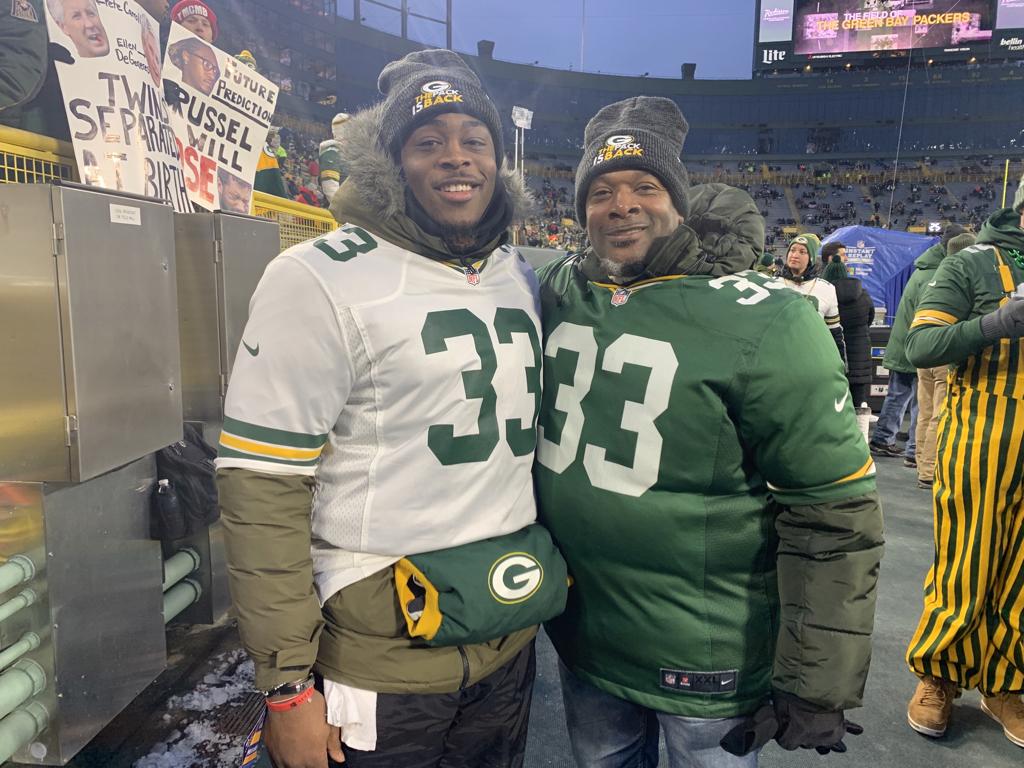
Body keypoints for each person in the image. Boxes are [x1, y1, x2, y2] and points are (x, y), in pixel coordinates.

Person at [535, 96, 883, 768]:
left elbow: (835, 515)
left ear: (681, 201)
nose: (622, 205)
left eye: (645, 185)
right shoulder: (559, 289)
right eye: (600, 190)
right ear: (579, 209)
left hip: (707, 661)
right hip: (586, 643)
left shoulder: (768, 319)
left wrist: (818, 681)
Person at [217, 49, 541, 767]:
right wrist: (286, 686)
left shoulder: (516, 273)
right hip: (381, 658)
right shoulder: (316, 276)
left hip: (507, 635)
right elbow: (261, 488)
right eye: (427, 142)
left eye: (474, 140)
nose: (456, 158)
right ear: (391, 161)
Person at [904, 177, 1024, 748]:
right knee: (968, 559)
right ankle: (940, 675)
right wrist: (995, 324)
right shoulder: (973, 263)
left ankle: (1005, 683)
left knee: (1023, 574)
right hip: (984, 432)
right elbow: (919, 347)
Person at [892, 226, 972, 489]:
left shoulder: (924, 272)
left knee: (924, 413)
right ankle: (930, 471)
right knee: (939, 414)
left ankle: (918, 462)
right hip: (943, 351)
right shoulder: (957, 276)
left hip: (923, 350)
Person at [822, 244, 874, 443]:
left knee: (832, 400)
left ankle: (835, 443)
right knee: (859, 398)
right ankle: (863, 442)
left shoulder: (826, 295)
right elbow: (869, 321)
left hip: (833, 357)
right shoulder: (863, 294)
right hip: (860, 357)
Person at [778, 233, 847, 363]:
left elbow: (834, 333)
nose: (795, 255)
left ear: (811, 257)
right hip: (777, 358)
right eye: (792, 250)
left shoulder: (827, 289)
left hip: (812, 360)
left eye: (802, 252)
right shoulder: (770, 284)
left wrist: (841, 367)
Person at [319, 112, 350, 204]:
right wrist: (347, 213)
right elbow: (331, 190)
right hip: (336, 216)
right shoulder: (331, 153)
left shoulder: (346, 154)